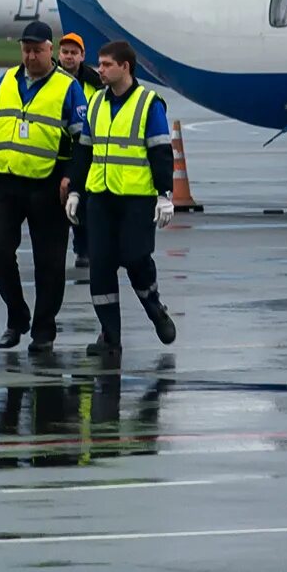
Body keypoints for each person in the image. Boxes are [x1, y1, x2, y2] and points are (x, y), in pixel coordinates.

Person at [0, 20, 88, 351]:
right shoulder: (6, 80)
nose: (30, 56)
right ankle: (17, 317)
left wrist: (69, 177)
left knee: (49, 263)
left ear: (50, 50)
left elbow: (83, 140)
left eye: (37, 50)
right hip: (5, 183)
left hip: (48, 187)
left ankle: (44, 329)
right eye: (26, 50)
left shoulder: (67, 87)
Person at [80, 39, 178, 358]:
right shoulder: (95, 102)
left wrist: (164, 195)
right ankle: (110, 336)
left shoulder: (149, 103)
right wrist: (76, 192)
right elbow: (84, 149)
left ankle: (154, 308)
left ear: (125, 67)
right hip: (101, 197)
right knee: (101, 267)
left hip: (137, 198)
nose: (100, 70)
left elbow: (162, 151)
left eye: (107, 64)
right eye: (99, 63)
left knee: (136, 259)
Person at [58, 32, 93, 273]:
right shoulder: (50, 79)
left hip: (85, 151)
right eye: (65, 52)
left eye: (74, 53)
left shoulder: (95, 81)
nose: (69, 57)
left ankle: (83, 250)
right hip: (56, 153)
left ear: (82, 56)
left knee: (82, 203)